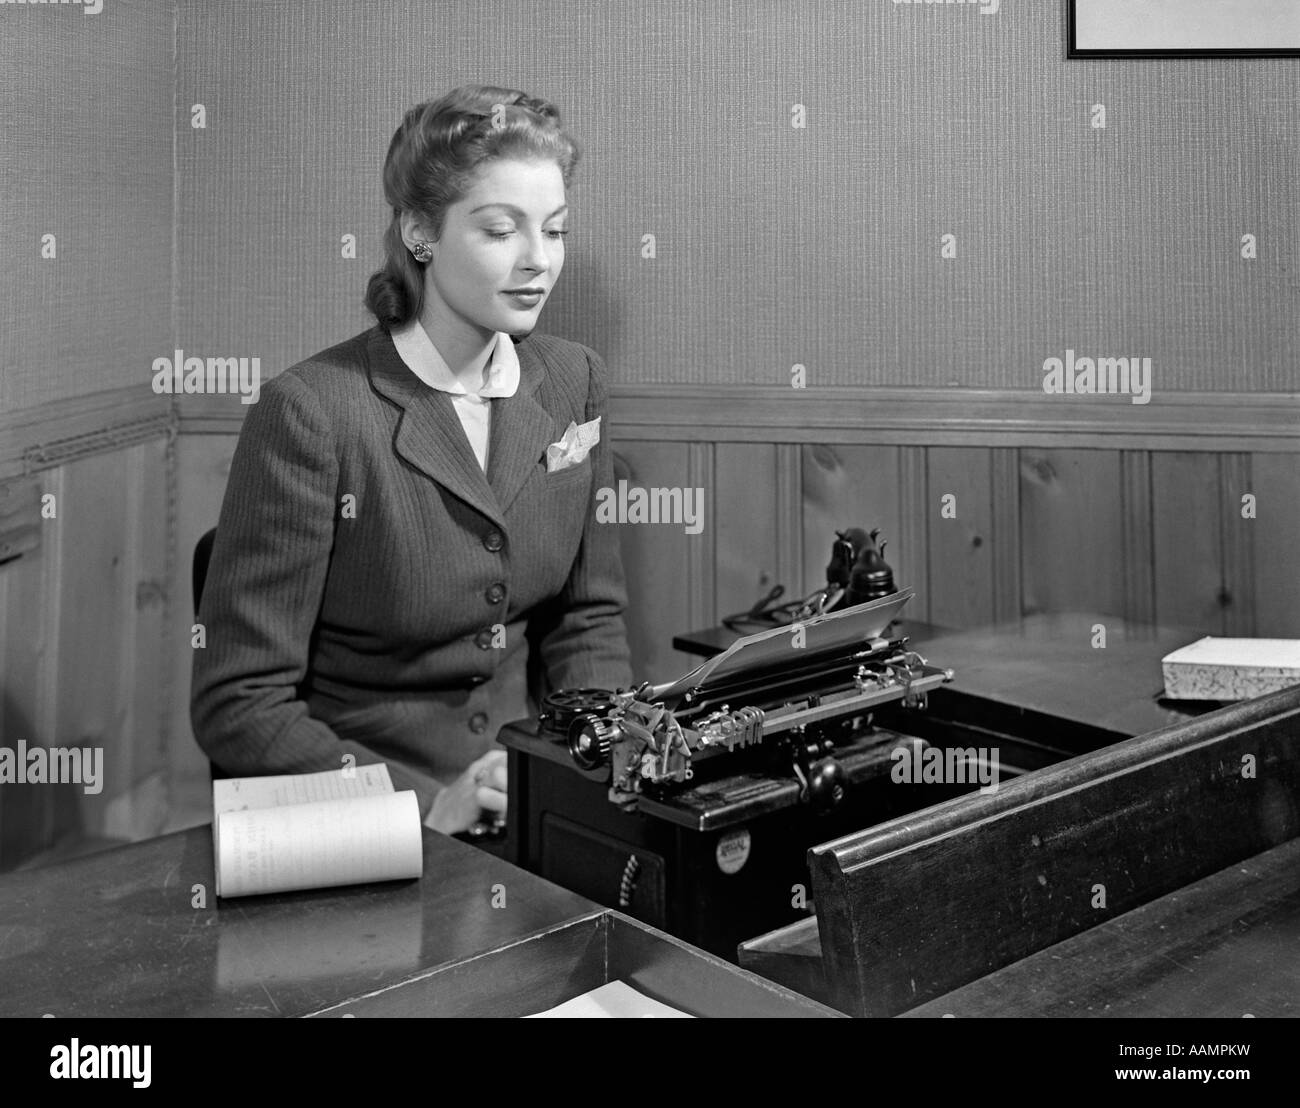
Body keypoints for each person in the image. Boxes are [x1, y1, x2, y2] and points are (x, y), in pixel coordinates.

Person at [191, 85, 633, 835]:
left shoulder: (573, 381)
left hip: (533, 798)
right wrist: (423, 807)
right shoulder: (311, 414)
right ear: (421, 233)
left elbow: (585, 618)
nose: (538, 261)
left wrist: (588, 762)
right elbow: (240, 704)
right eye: (501, 230)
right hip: (378, 820)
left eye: (554, 231)